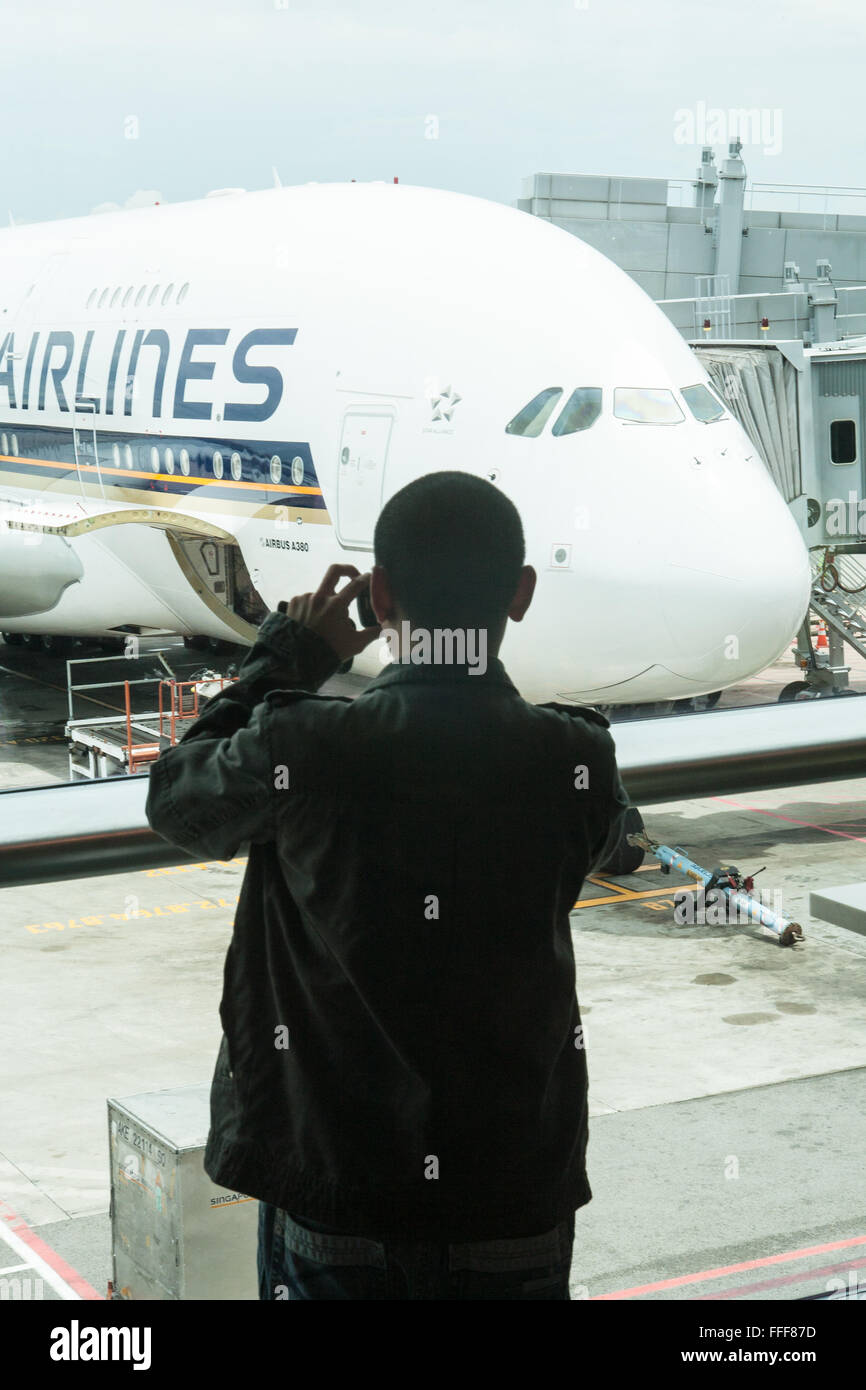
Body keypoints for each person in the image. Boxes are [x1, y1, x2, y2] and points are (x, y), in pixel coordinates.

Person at [145, 470, 630, 1300]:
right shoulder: (576, 758)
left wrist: (288, 657)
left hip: (343, 1193)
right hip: (512, 1196)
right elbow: (608, 842)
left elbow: (176, 801)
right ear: (519, 595)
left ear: (379, 596)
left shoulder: (306, 745)